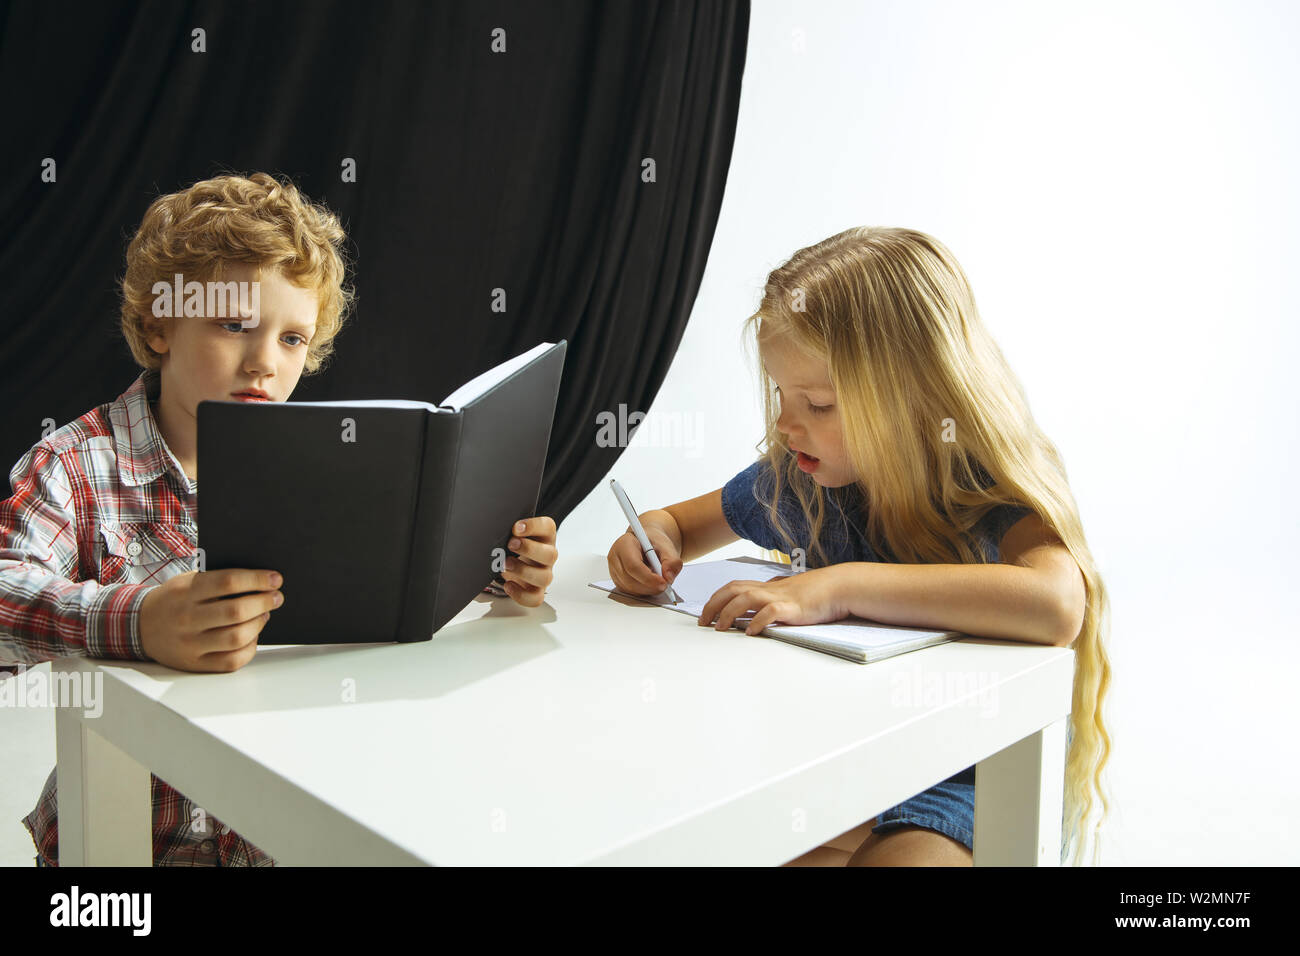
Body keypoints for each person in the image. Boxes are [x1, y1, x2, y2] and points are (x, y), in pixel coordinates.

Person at [0, 172, 559, 866]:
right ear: (158, 323)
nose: (265, 362)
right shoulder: (78, 464)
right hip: (123, 846)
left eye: (293, 339)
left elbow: (396, 575)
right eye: (235, 325)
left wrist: (502, 568)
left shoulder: (325, 462)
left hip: (277, 836)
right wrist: (137, 620)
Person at [607, 226, 1112, 867]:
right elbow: (680, 523)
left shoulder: (978, 488)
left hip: (969, 774)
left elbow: (1056, 604)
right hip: (849, 764)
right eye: (781, 396)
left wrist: (837, 587)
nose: (787, 425)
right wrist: (651, 538)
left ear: (914, 394)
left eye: (817, 402)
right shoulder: (805, 480)